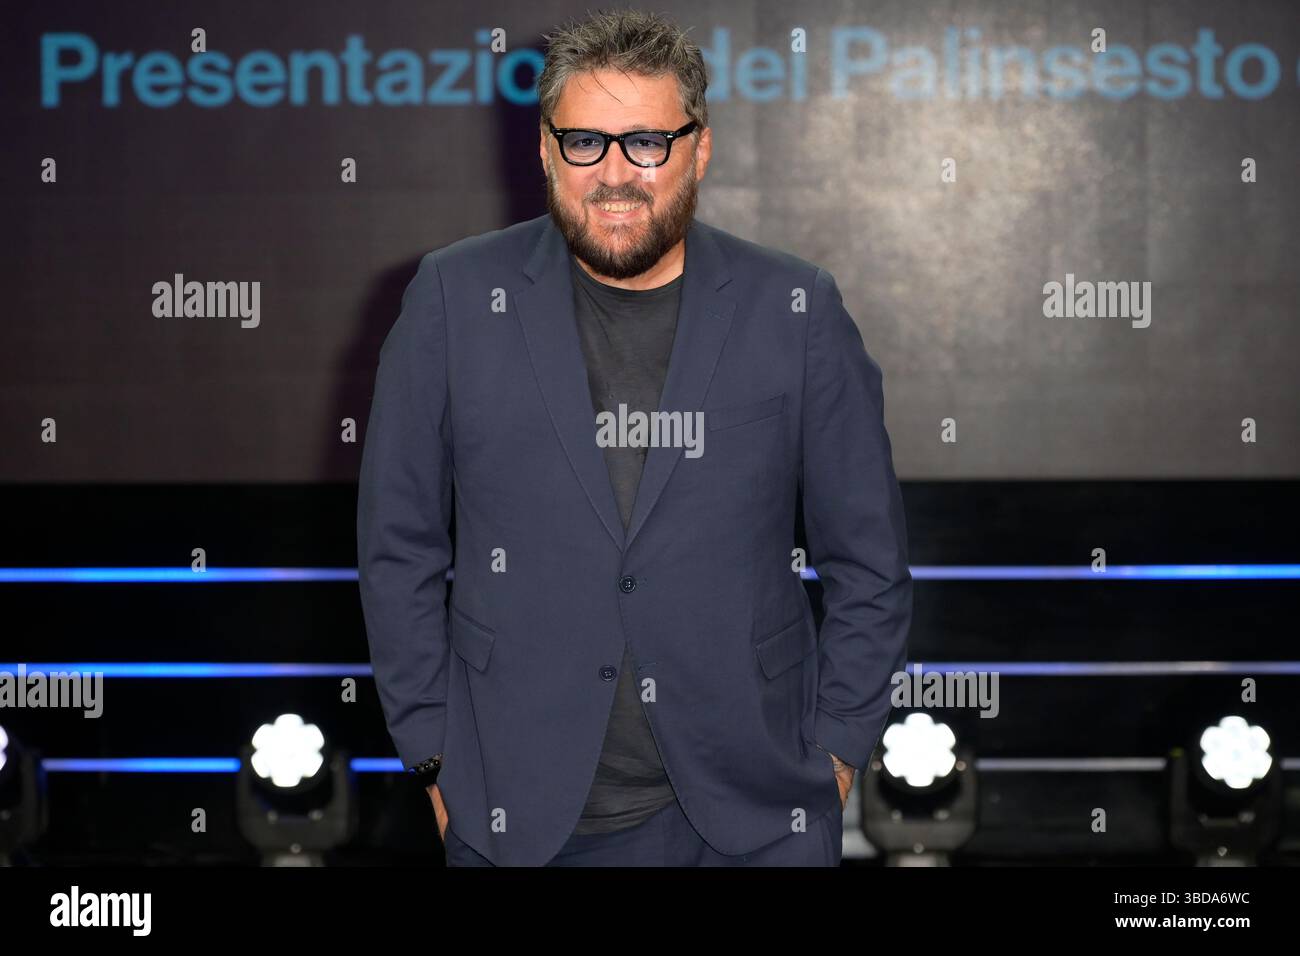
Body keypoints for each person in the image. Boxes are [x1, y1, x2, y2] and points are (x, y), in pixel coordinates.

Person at [357, 8, 911, 867]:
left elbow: (868, 560)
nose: (615, 173)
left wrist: (836, 755)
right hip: (516, 816)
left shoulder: (794, 309)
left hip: (755, 818)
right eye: (585, 142)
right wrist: (434, 760)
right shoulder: (452, 299)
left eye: (647, 142)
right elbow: (399, 548)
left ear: (699, 149)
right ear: (545, 149)